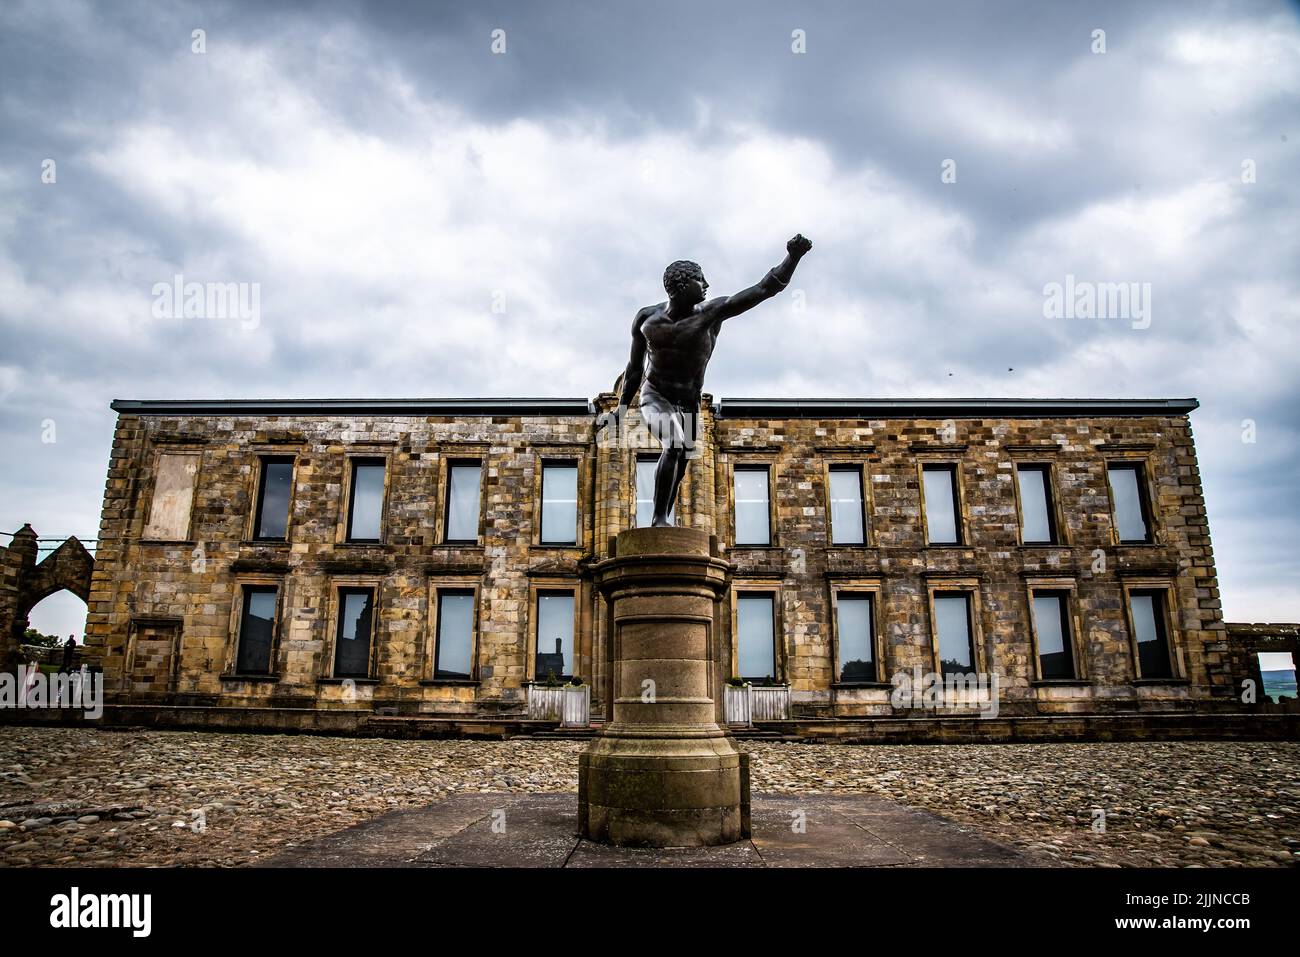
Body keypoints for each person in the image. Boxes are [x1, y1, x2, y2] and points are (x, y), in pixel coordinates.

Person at [613, 234, 812, 526]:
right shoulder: (646, 320)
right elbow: (633, 368)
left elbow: (764, 288)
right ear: (682, 286)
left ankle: (664, 521)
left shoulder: (712, 312)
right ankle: (658, 521)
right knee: (675, 444)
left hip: (689, 402)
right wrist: (620, 408)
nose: (706, 286)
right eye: (700, 280)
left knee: (681, 460)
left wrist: (793, 257)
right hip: (655, 394)